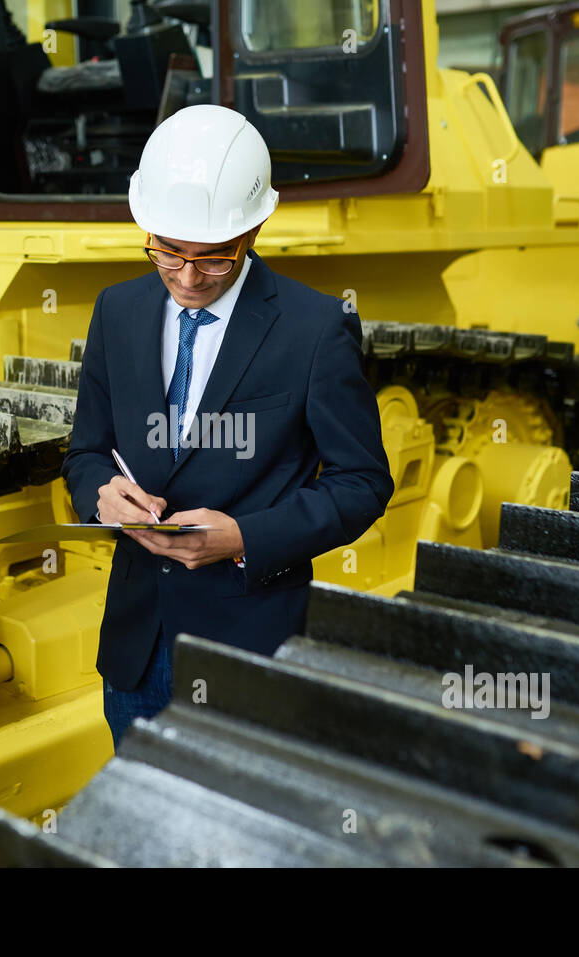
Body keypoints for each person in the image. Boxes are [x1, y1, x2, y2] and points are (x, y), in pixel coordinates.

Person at [62, 105, 393, 750]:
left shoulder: (314, 327)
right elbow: (86, 454)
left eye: (214, 259)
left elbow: (362, 482)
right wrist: (100, 494)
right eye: (168, 253)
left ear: (255, 228)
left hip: (252, 643)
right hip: (137, 645)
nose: (187, 278)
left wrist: (245, 536)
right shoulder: (118, 310)